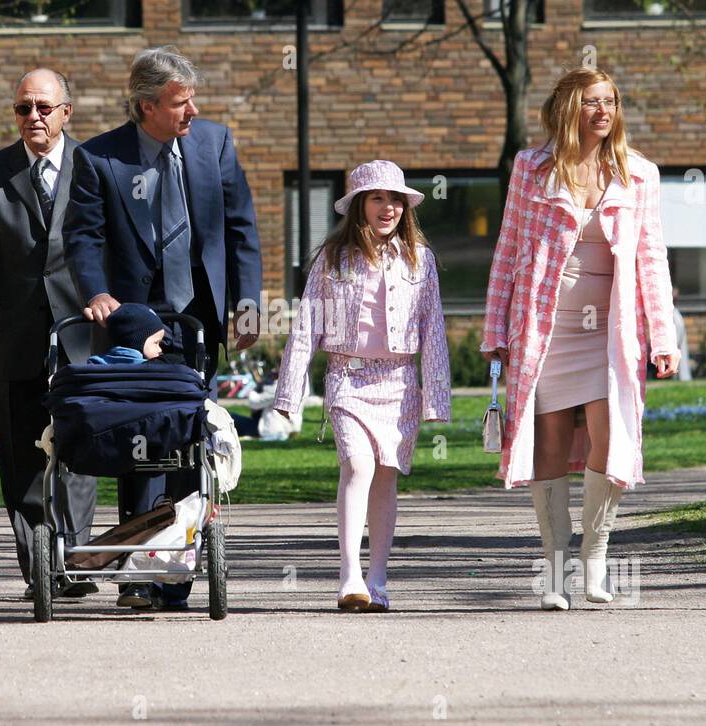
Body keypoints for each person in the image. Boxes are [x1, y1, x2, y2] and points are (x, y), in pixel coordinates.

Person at [65, 46, 263, 611]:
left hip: (198, 320)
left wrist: (245, 304)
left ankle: (174, 576)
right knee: (140, 444)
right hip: (134, 320)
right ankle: (138, 577)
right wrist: (98, 294)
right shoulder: (101, 159)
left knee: (189, 441)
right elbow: (82, 237)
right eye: (180, 103)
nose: (192, 111)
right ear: (147, 106)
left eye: (193, 99)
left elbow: (240, 227)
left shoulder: (214, 144)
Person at [481, 67, 679, 610]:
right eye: (592, 102)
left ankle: (595, 556)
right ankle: (552, 570)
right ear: (570, 107)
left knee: (610, 436)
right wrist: (495, 329)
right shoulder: (531, 167)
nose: (604, 110)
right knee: (546, 442)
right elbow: (508, 248)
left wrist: (662, 335)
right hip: (544, 325)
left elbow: (652, 257)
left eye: (611, 101)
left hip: (610, 328)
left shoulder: (639, 173)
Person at [273, 160, 451, 612]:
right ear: (358, 206)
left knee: (386, 475)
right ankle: (349, 575)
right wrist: (289, 392)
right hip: (348, 378)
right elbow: (308, 323)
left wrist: (437, 397)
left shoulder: (420, 258)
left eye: (394, 199)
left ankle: (378, 579)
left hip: (399, 382)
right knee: (357, 466)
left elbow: (433, 329)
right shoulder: (333, 257)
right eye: (377, 198)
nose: (387, 207)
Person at [0, 68, 98, 600]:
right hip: (9, 336)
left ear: (66, 112)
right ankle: (40, 568)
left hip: (84, 334)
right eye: (22, 108)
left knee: (80, 449)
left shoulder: (96, 167)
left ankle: (77, 562)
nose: (32, 117)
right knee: (21, 456)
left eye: (42, 106)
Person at [87, 304, 168, 366]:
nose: (160, 350)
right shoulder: (154, 369)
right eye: (156, 343)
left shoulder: (95, 364)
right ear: (137, 341)